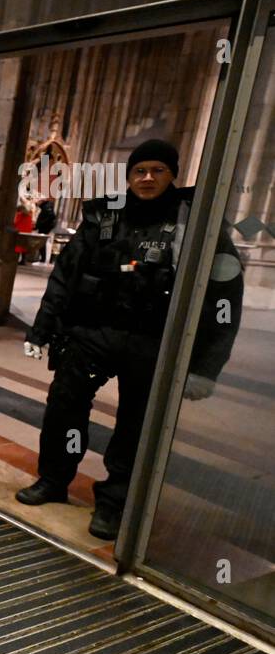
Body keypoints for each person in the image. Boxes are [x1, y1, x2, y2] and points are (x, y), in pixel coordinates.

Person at [16, 139, 243, 540]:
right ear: (129, 175)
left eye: (158, 170)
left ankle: (114, 502)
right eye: (140, 170)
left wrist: (206, 367)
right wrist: (42, 329)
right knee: (65, 408)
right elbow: (66, 276)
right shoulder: (105, 212)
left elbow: (224, 298)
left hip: (152, 341)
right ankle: (54, 479)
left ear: (173, 174)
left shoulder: (197, 222)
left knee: (135, 425)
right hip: (93, 334)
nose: (148, 178)